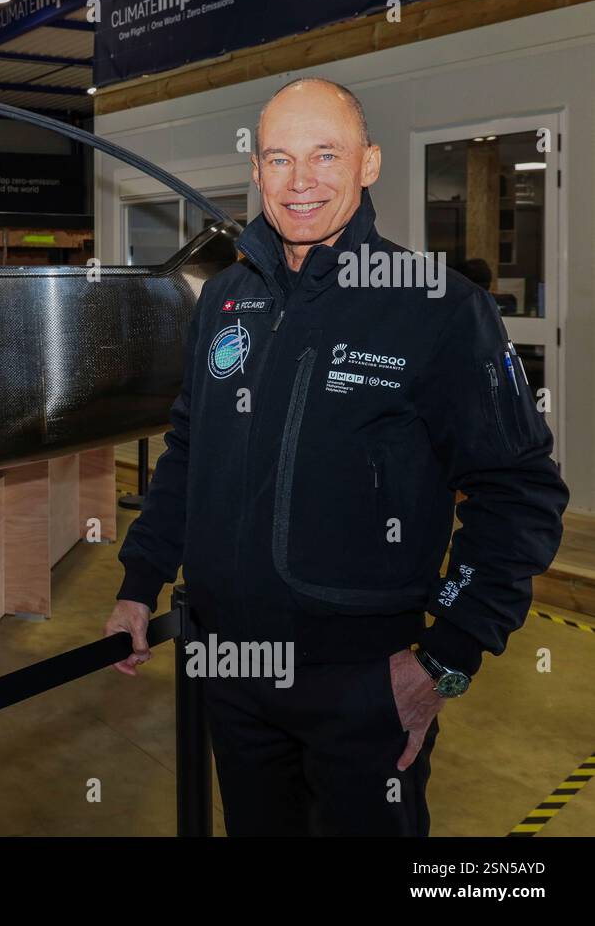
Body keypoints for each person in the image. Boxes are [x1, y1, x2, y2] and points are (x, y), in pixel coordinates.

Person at [105, 77, 567, 836]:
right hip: (231, 670)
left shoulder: (439, 307)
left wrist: (445, 657)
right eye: (280, 158)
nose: (301, 180)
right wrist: (138, 581)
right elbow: (189, 452)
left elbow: (518, 493)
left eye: (326, 154)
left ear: (369, 162)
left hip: (362, 683)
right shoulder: (225, 298)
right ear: (256, 171)